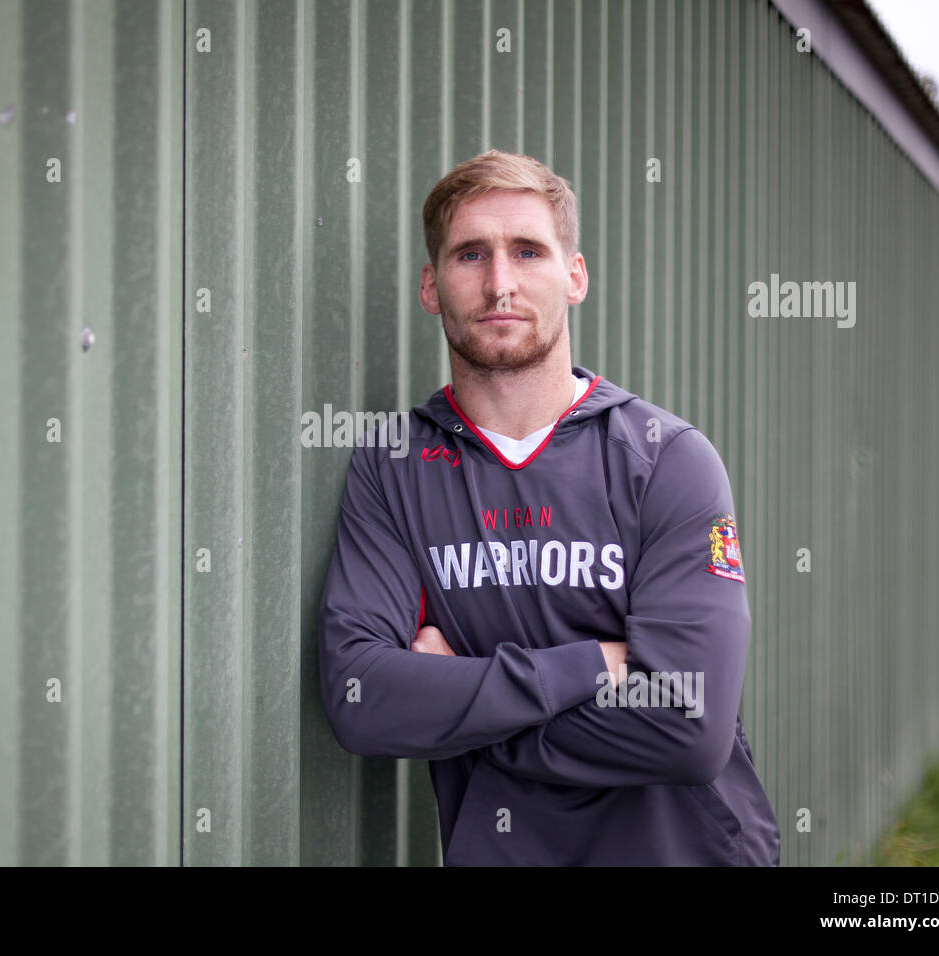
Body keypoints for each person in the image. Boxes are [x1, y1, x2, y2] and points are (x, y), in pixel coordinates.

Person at [315, 148, 780, 865]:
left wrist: (462, 693)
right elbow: (361, 698)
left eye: (527, 250)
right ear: (431, 286)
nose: (500, 283)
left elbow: (688, 728)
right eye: (471, 255)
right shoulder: (395, 466)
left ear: (574, 276)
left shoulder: (666, 459)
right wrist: (587, 666)